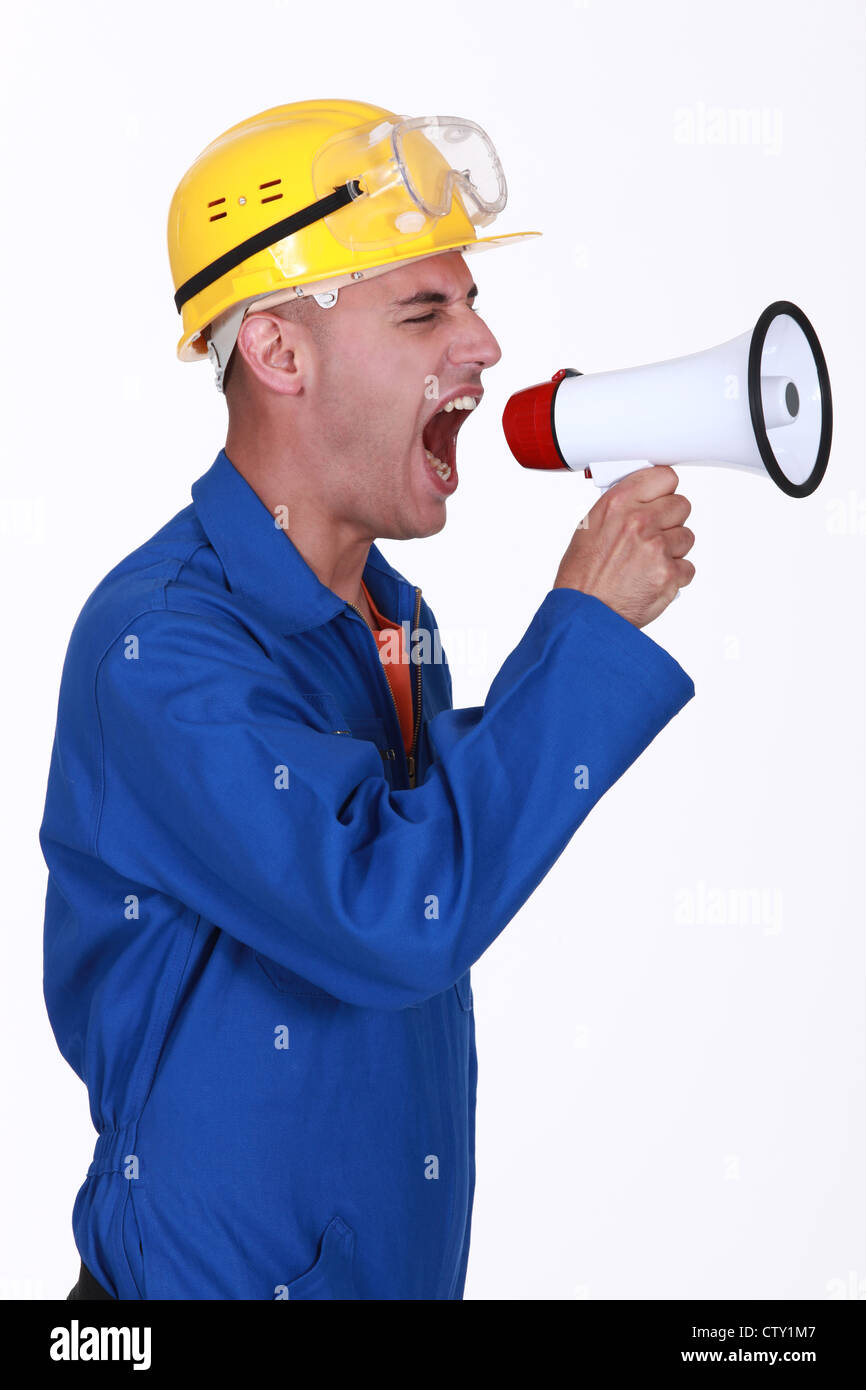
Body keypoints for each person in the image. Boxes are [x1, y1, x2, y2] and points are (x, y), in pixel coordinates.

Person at [42, 99, 696, 1301]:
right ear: (279, 354)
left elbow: (435, 845)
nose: (484, 345)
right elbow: (396, 912)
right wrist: (585, 639)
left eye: (471, 299)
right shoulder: (163, 648)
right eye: (424, 310)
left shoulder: (391, 621)